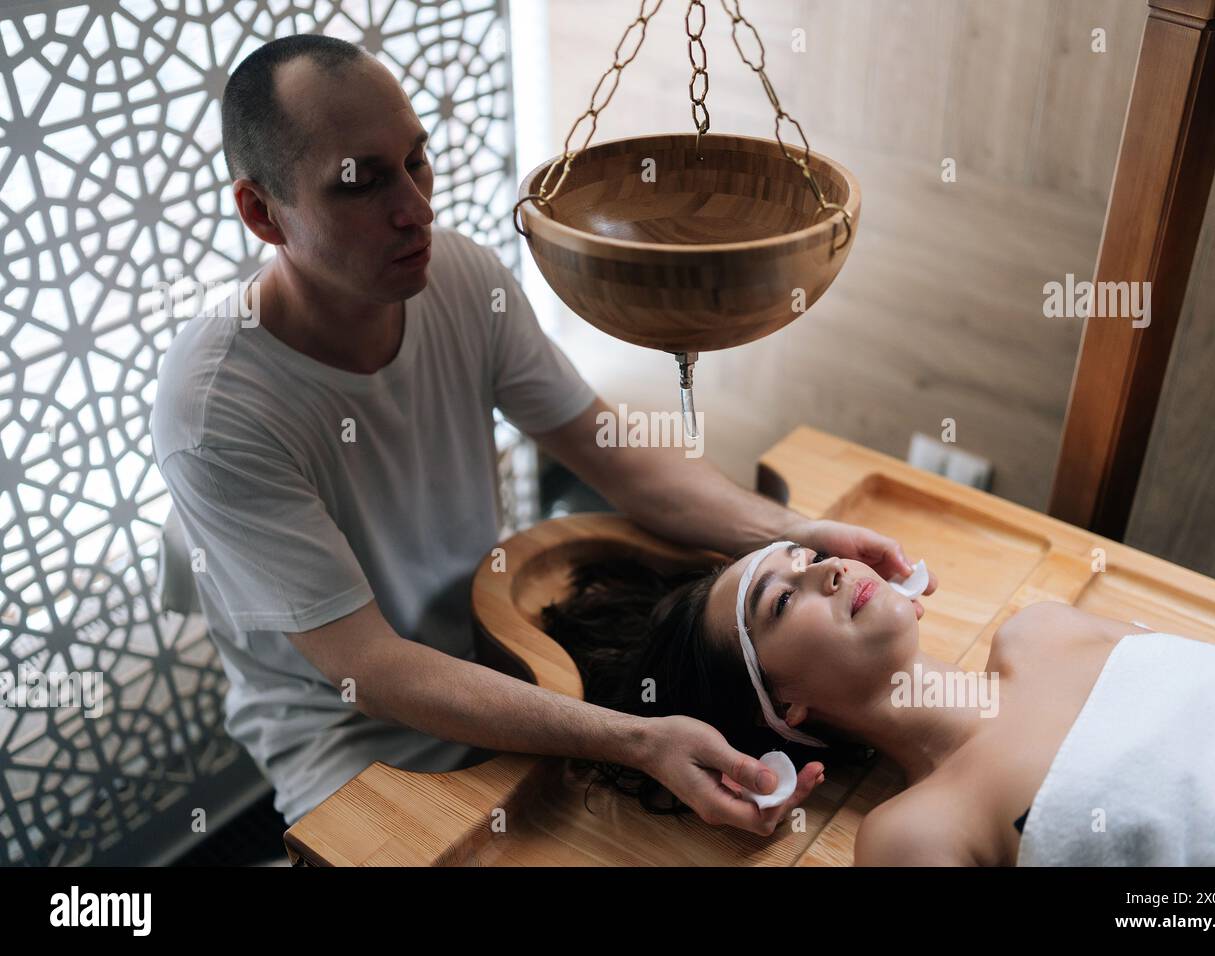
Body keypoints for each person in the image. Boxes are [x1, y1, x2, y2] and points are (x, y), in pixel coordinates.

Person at [148, 33, 936, 832]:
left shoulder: (460, 277)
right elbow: (371, 667)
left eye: (417, 161)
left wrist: (795, 530)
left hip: (497, 648)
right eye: (362, 184)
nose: (416, 210)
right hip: (346, 731)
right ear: (262, 211)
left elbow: (620, 459)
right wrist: (636, 740)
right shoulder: (216, 411)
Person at [543, 543, 1215, 865]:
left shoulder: (1045, 631)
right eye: (783, 600)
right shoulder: (913, 832)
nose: (832, 572)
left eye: (809, 559)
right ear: (784, 706)